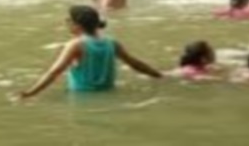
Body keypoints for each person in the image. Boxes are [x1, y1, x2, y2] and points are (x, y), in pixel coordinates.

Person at [15, 5, 163, 98]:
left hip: (82, 98)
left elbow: (54, 72)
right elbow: (135, 64)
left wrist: (30, 93)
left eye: (68, 21)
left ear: (76, 25)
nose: (66, 24)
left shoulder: (76, 45)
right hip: (109, 95)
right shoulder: (111, 43)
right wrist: (158, 75)